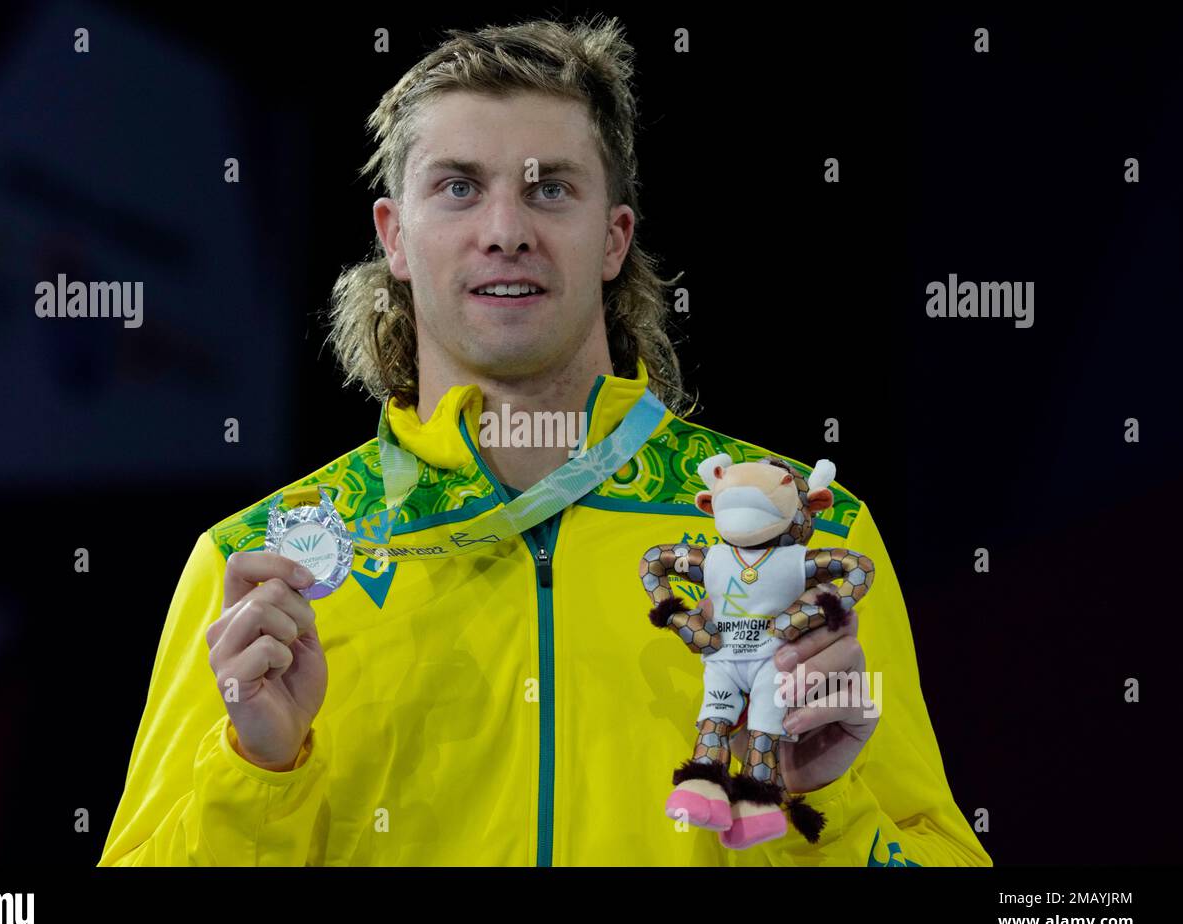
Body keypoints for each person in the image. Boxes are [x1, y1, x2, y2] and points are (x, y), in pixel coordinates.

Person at [98, 15, 991, 867]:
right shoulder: (258, 567)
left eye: (549, 188)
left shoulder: (809, 532)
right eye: (457, 187)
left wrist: (827, 804)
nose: (505, 231)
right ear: (394, 237)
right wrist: (259, 774)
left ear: (614, 238)